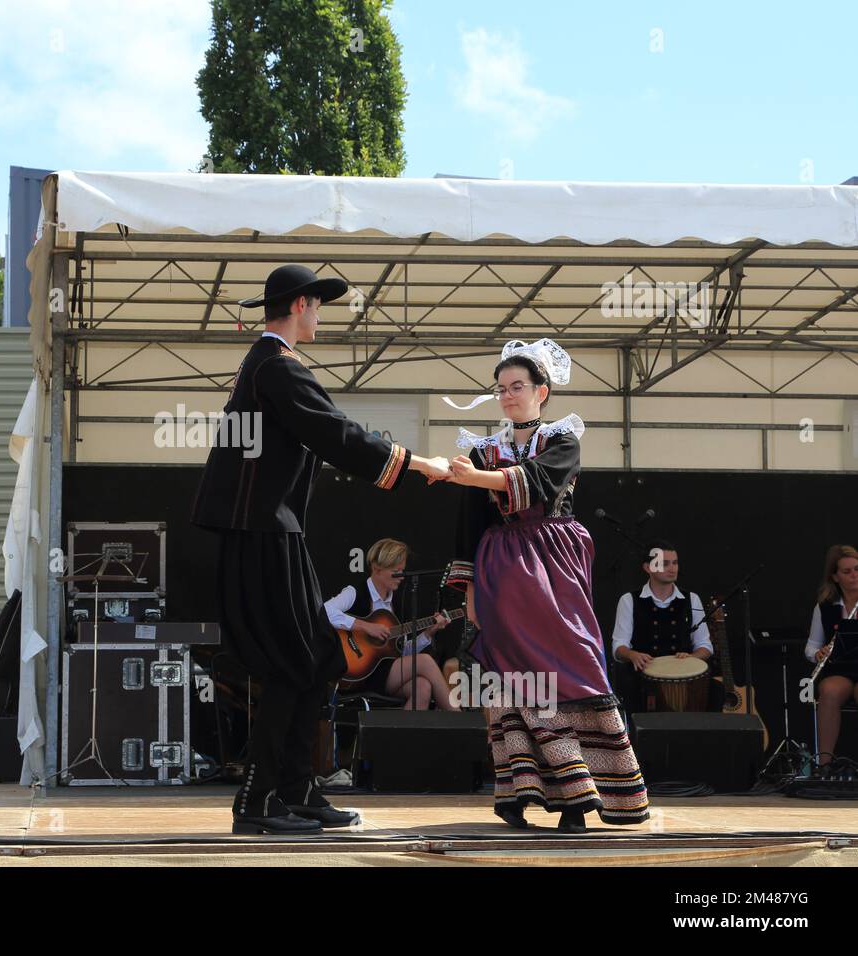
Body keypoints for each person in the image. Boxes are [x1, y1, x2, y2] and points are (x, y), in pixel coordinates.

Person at [191, 264, 452, 835]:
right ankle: (259, 801)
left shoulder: (267, 365)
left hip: (272, 537)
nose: (322, 315)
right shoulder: (276, 366)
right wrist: (416, 464)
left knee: (317, 659)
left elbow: (328, 431)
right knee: (295, 663)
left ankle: (296, 791)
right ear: (302, 304)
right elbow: (336, 434)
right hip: (264, 538)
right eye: (319, 304)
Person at [443, 337, 649, 833]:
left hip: (553, 564)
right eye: (501, 388)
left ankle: (580, 796)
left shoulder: (562, 441)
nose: (508, 395)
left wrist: (472, 478)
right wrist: (470, 593)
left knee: (572, 666)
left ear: (542, 392)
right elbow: (468, 528)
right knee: (508, 676)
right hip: (499, 569)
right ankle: (516, 793)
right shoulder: (481, 450)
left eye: (518, 386)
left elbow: (537, 481)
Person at [323, 538, 454, 710]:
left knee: (423, 687)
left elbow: (402, 652)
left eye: (403, 571)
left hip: (385, 673)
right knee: (426, 661)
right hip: (358, 673)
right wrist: (365, 626)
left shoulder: (396, 603)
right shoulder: (355, 592)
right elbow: (324, 612)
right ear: (377, 569)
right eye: (396, 572)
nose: (401, 577)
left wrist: (428, 634)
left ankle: (402, 737)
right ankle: (459, 718)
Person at [610, 540, 715, 714]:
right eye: (664, 563)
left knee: (716, 692)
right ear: (648, 567)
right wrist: (632, 655)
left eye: (675, 563)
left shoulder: (692, 599)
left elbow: (705, 646)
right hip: (643, 679)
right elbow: (619, 646)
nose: (672, 568)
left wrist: (691, 658)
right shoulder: (629, 600)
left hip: (685, 680)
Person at [805, 545, 858, 771]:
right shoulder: (825, 607)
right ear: (835, 577)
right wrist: (818, 654)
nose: (854, 575)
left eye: (857, 569)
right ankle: (823, 765)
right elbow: (811, 646)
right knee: (828, 691)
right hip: (841, 669)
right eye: (847, 572)